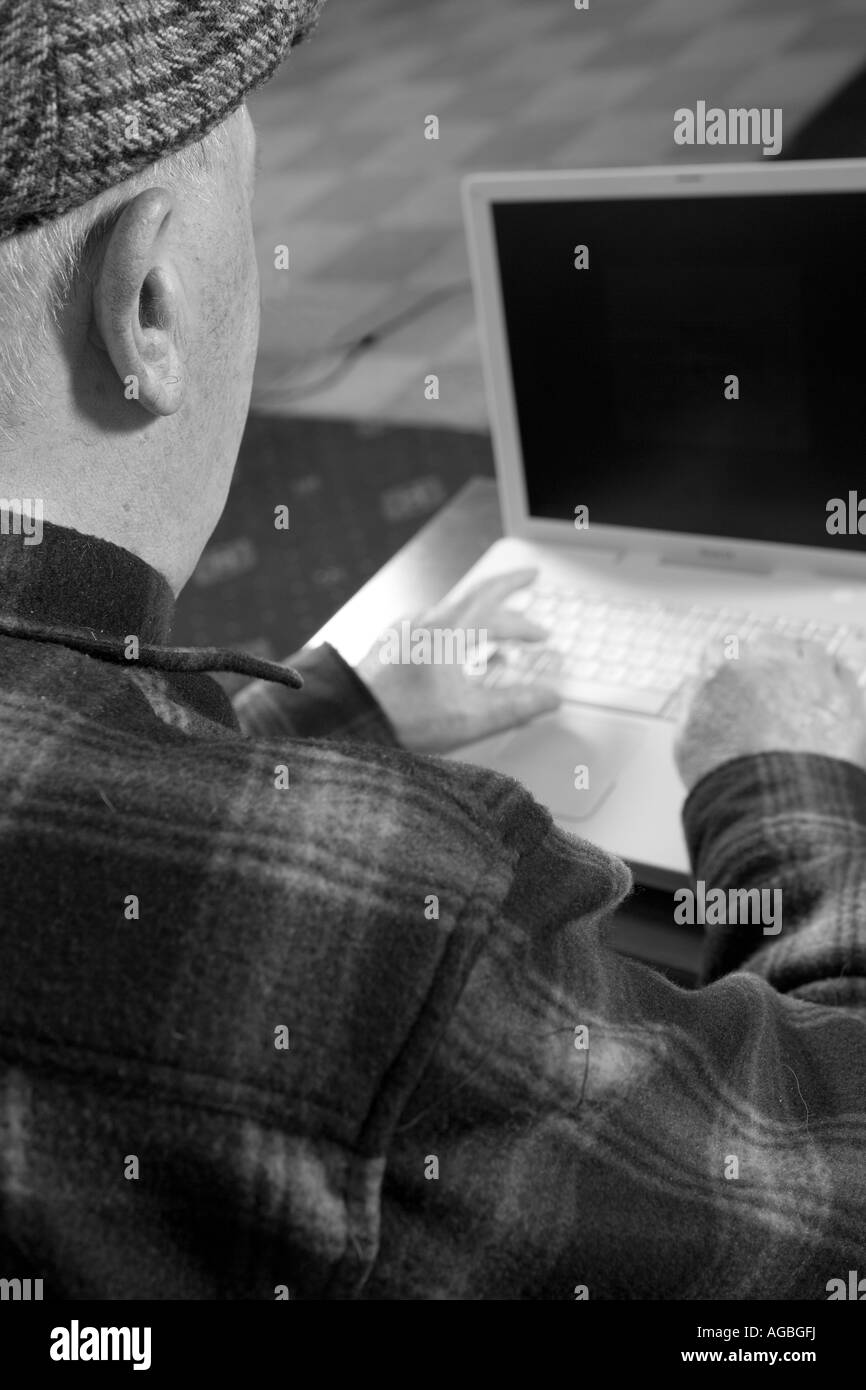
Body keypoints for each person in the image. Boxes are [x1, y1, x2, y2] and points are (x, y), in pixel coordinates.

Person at [0, 0, 863, 1301]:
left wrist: (320, 714)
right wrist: (780, 777)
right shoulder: (393, 930)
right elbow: (826, 1175)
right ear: (150, 302)